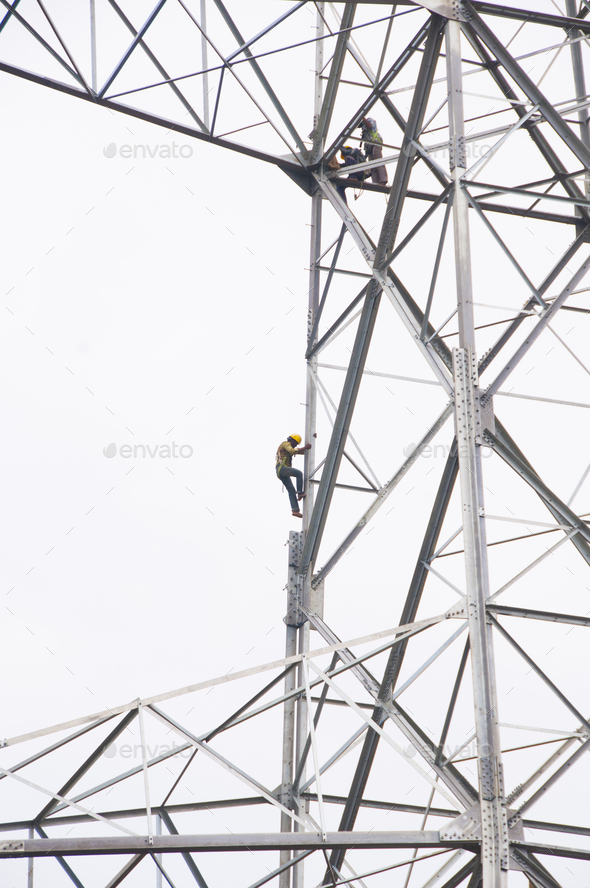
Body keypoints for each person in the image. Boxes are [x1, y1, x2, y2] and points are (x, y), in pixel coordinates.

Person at [276, 434, 311, 518]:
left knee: (291, 491)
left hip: (281, 472)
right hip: (282, 469)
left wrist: (309, 448)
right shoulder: (286, 444)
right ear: (292, 440)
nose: (296, 445)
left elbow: (300, 451)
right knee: (298, 473)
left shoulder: (290, 447)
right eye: (295, 443)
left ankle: (295, 511)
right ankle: (300, 493)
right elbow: (292, 451)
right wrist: (305, 448)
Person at [359, 117, 388, 186]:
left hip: (375, 142)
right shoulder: (363, 128)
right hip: (369, 147)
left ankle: (383, 180)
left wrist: (363, 118)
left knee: (378, 160)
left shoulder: (369, 120)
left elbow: (369, 126)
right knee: (372, 165)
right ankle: (376, 183)